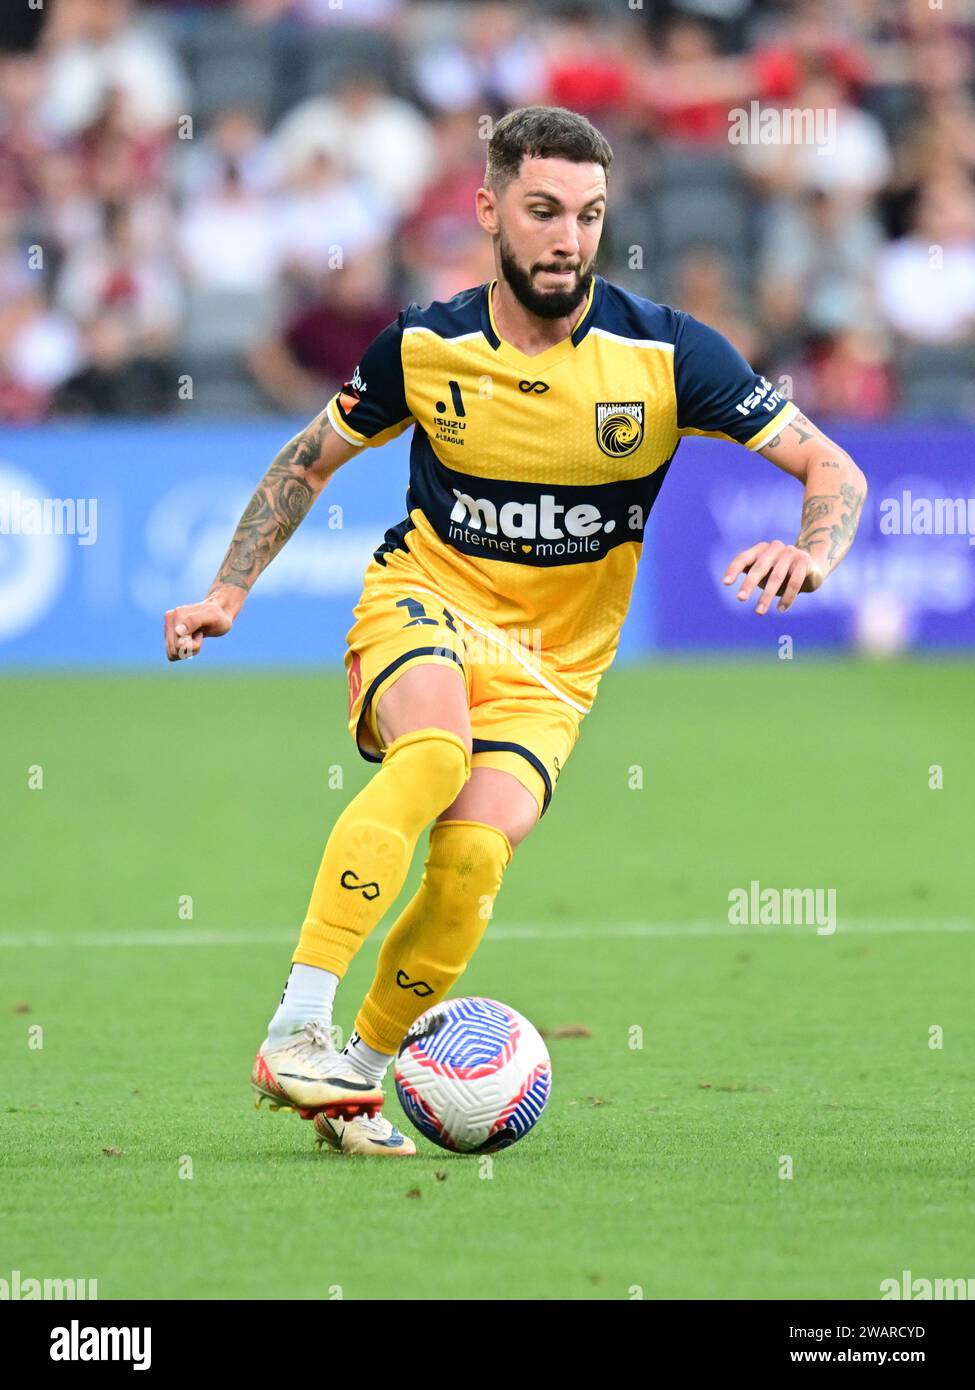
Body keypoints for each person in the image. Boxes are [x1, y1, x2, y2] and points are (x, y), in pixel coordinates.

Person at [164, 106, 867, 1157]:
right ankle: (295, 1025)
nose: (567, 238)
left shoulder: (668, 354)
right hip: (425, 603)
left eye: (587, 214)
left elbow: (834, 468)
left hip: (554, 671)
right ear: (491, 211)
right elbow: (307, 459)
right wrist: (229, 590)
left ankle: (351, 1078)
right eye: (542, 211)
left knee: (471, 862)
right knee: (435, 752)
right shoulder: (426, 344)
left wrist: (815, 551)